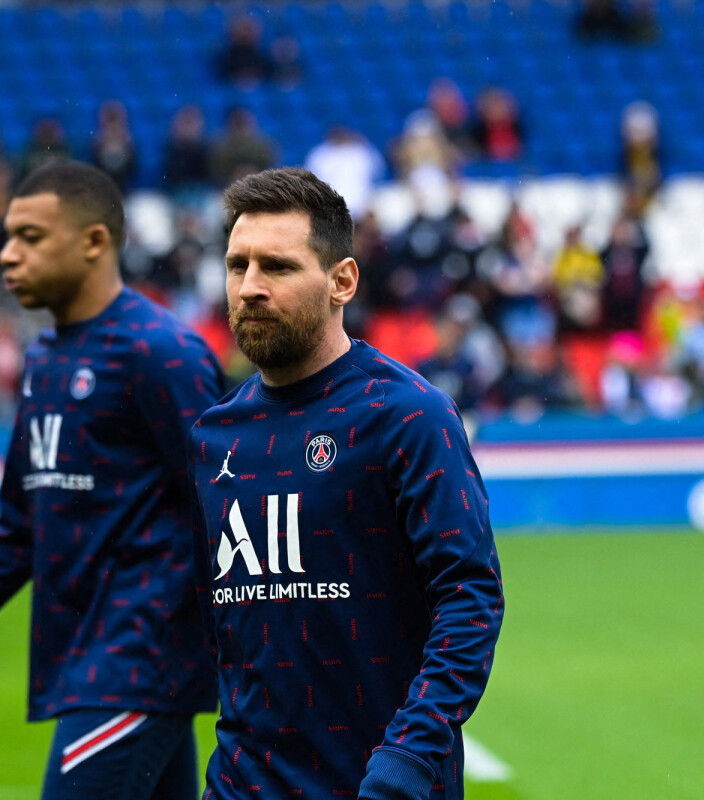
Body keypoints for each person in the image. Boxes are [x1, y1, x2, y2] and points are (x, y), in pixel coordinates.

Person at [0, 162, 225, 799]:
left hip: (137, 664)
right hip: (88, 661)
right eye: (6, 236)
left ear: (95, 242)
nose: (7, 253)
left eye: (31, 237)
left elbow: (224, 510)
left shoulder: (161, 353)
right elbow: (19, 532)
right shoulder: (45, 359)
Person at [188, 167, 504, 799]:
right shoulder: (213, 436)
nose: (248, 287)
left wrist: (410, 757)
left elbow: (469, 597)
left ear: (342, 281)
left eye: (276, 267)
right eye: (236, 265)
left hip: (377, 786)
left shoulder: (408, 415)